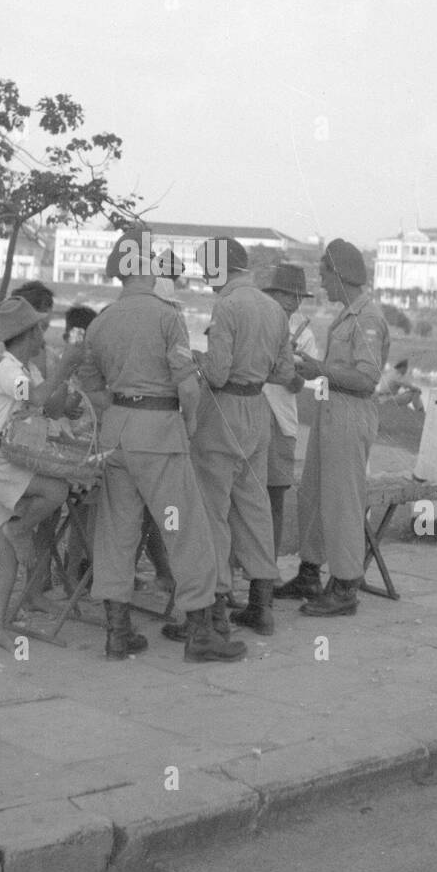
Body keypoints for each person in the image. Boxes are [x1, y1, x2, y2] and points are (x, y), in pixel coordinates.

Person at [74, 228, 245, 662]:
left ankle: (117, 633)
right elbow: (187, 386)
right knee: (185, 530)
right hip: (160, 434)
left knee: (116, 533)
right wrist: (187, 426)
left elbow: (91, 388)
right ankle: (201, 634)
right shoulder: (168, 317)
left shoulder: (99, 322)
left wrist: (116, 411)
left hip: (117, 435)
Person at [163, 238, 295, 641]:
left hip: (224, 410)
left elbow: (217, 373)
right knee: (254, 507)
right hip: (258, 410)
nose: (206, 279)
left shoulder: (227, 307)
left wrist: (195, 363)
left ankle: (215, 608)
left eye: (207, 271)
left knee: (212, 510)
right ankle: (261, 604)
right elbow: (285, 371)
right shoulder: (274, 308)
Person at [277, 238, 390, 616]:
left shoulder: (368, 319)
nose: (322, 282)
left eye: (325, 273)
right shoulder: (348, 316)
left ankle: (345, 586)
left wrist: (318, 369)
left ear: (341, 274)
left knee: (342, 503)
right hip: (331, 414)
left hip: (349, 416)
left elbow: (367, 379)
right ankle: (310, 573)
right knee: (312, 496)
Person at [0, 297, 77, 652]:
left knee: (7, 553)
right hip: (0, 466)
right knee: (57, 491)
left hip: (8, 464)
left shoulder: (18, 368)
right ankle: (20, 528)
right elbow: (36, 397)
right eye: (38, 328)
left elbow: (44, 404)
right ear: (26, 333)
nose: (42, 335)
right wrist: (64, 367)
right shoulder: (8, 371)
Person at [257, 262, 317, 572]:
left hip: (281, 420)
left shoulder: (304, 336)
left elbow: (297, 384)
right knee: (237, 495)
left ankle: (269, 570)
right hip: (250, 413)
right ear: (273, 294)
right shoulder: (255, 321)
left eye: (298, 297)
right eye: (287, 295)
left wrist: (286, 364)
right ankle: (231, 572)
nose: (293, 302)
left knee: (275, 496)